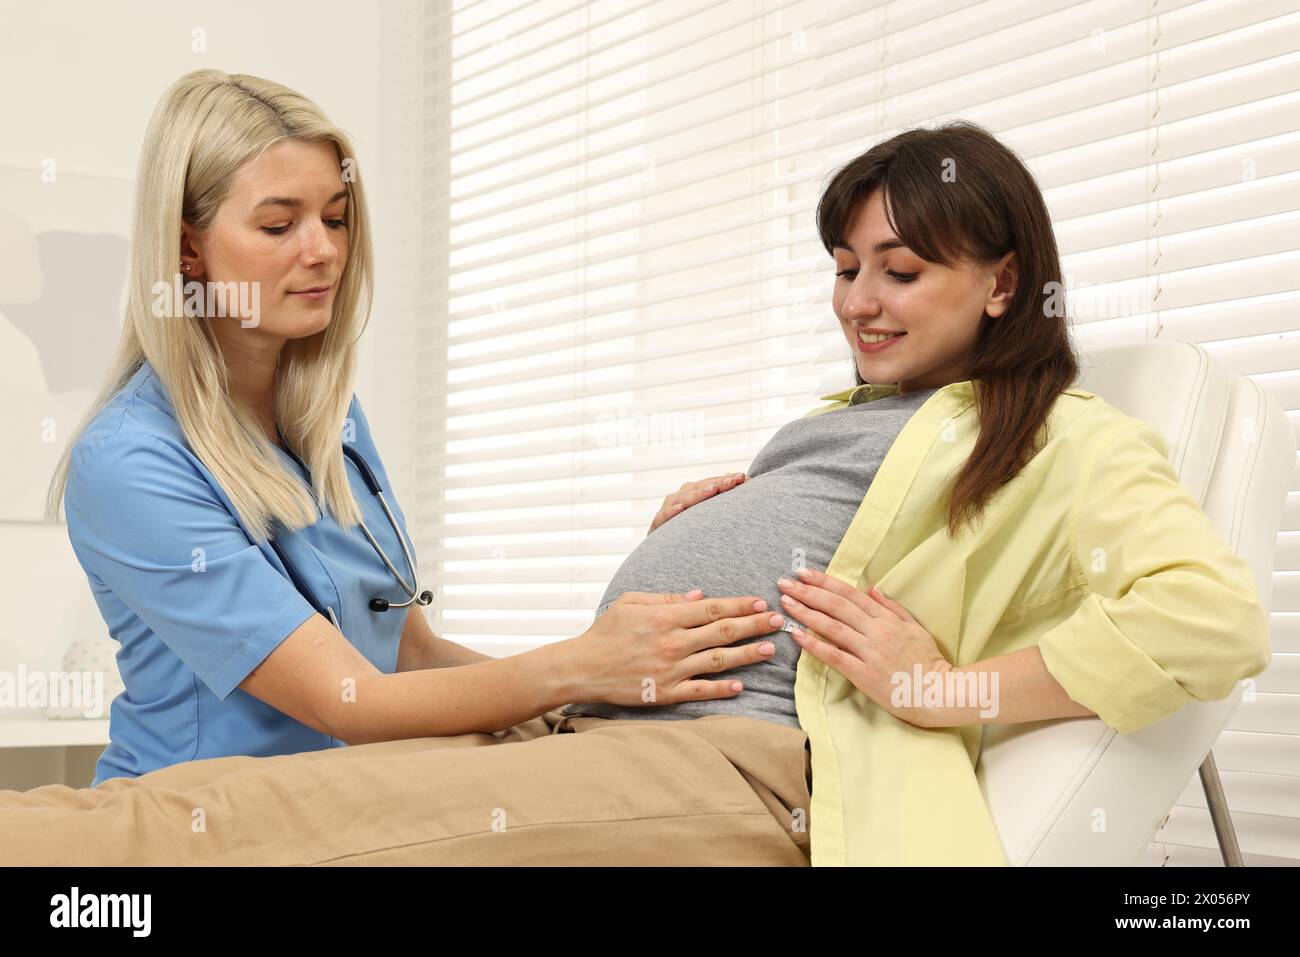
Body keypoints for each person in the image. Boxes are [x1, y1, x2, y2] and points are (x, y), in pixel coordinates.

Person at [2, 117, 1269, 867]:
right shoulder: (857, 422)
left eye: (901, 269)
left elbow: (1207, 622)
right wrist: (730, 520)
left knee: (230, 831)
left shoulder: (1057, 430)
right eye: (843, 267)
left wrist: (934, 684)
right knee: (236, 812)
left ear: (1004, 284)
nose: (858, 302)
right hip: (603, 734)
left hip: (744, 764)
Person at [36, 69, 778, 789]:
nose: (323, 249)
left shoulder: (331, 418)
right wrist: (582, 663)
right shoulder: (130, 458)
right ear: (187, 250)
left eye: (335, 217)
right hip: (196, 821)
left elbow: (410, 656)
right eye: (278, 223)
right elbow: (346, 698)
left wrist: (611, 671)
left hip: (348, 806)